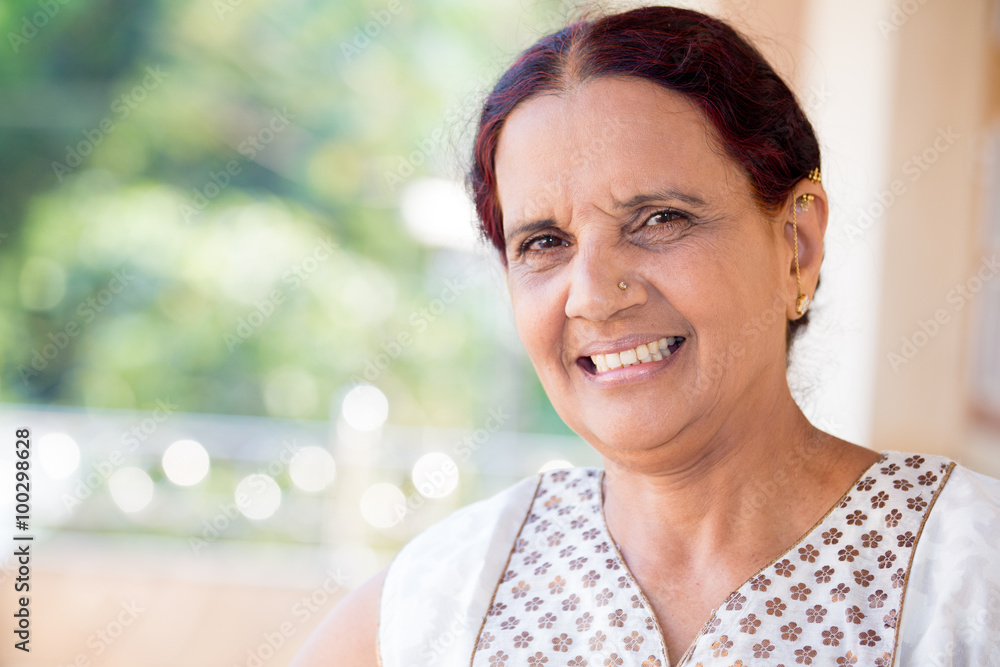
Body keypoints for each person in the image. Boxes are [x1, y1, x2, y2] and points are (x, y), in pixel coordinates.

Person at [292, 6, 1000, 666]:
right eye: (544, 242)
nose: (594, 295)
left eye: (660, 219)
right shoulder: (432, 609)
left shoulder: (971, 578)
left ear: (797, 244)